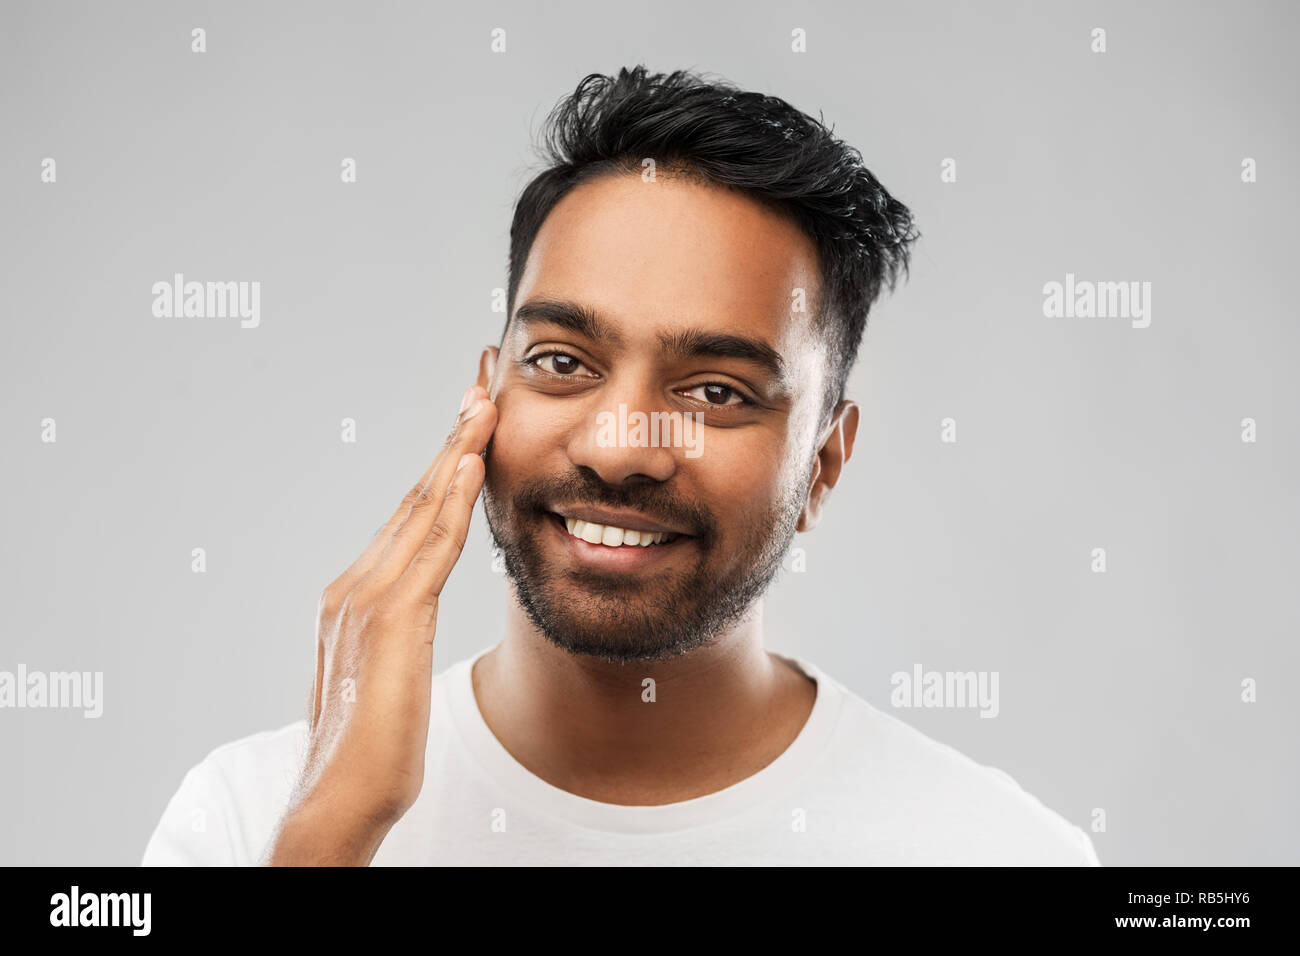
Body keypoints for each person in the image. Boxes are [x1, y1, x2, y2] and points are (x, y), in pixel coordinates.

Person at [143, 66, 1100, 866]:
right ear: (484, 394)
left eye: (716, 390)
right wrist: (332, 837)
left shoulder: (1000, 851)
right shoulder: (250, 820)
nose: (619, 448)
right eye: (563, 363)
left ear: (823, 462)